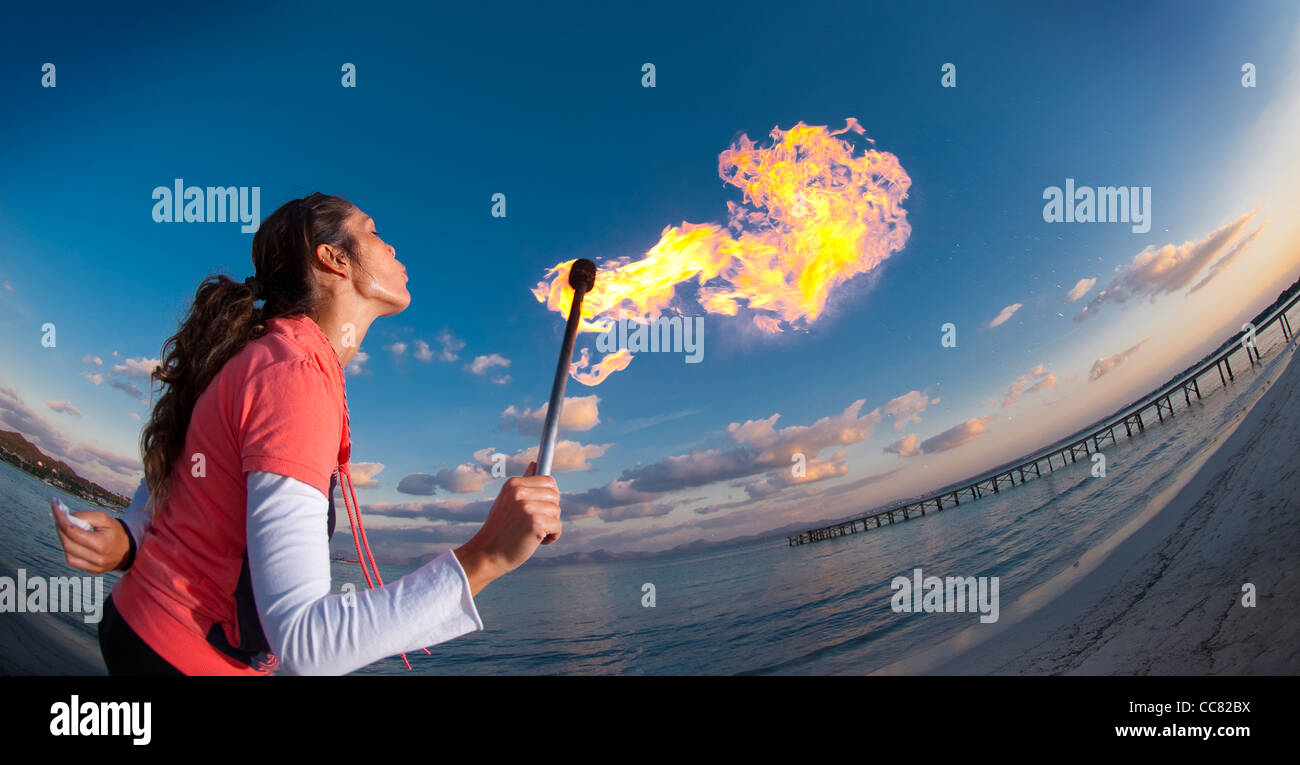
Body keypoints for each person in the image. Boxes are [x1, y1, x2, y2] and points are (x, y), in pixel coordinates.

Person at [51, 192, 562, 675]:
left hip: (136, 626)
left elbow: (180, 486)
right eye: (373, 231)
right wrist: (488, 555)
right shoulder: (295, 375)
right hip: (179, 658)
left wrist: (132, 537)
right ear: (334, 259)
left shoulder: (265, 355)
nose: (392, 245)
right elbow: (304, 643)